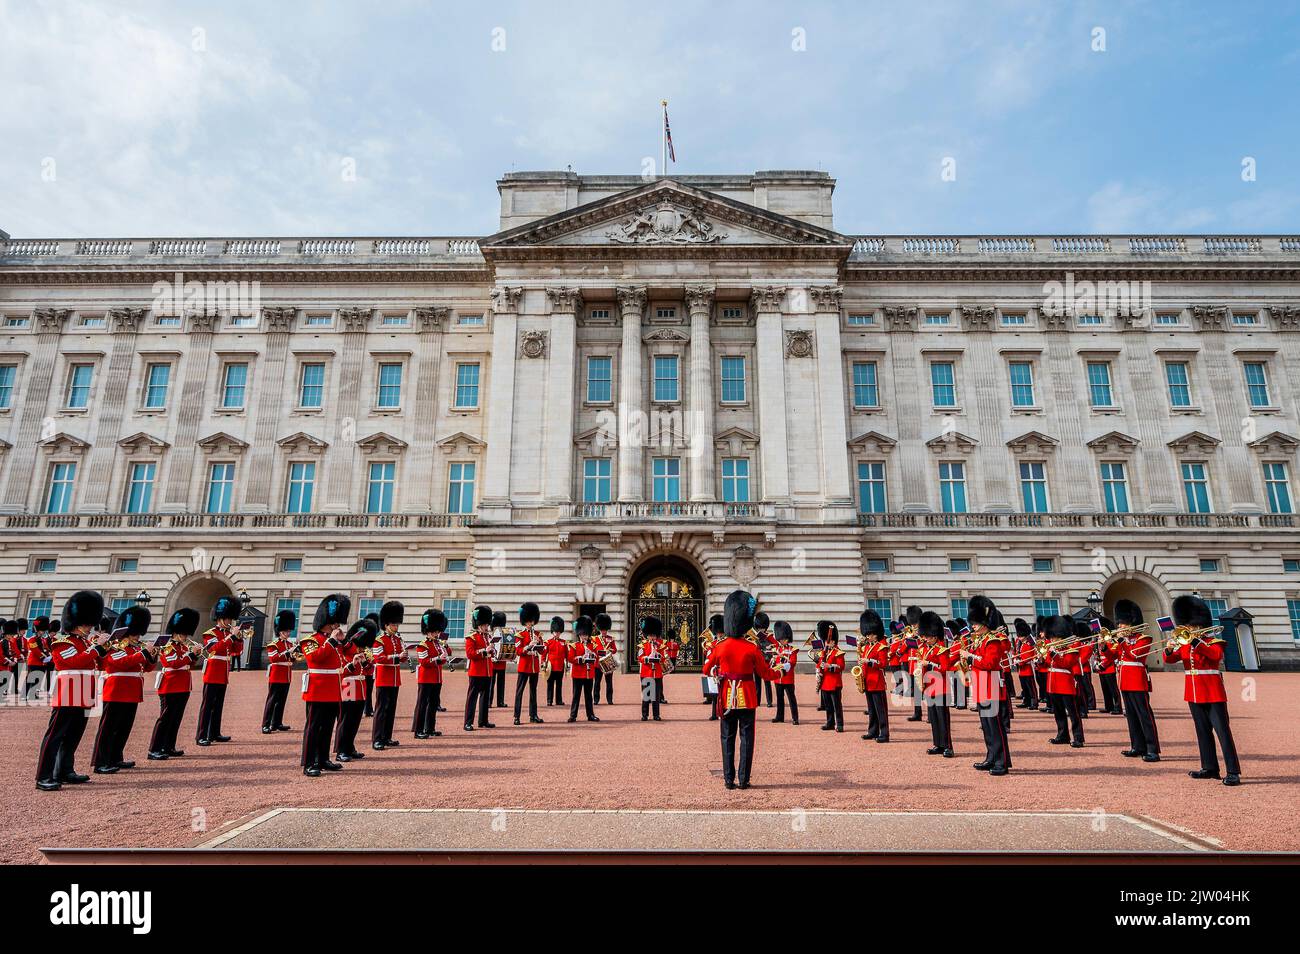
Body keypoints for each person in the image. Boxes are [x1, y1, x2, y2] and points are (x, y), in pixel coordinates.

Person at [35, 591, 110, 791]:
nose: (89, 627)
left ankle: (64, 770)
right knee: (55, 735)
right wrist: (96, 648)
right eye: (87, 623)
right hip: (69, 691)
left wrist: (103, 648)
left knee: (74, 734)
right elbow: (72, 662)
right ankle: (44, 775)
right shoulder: (63, 641)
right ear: (77, 622)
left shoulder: (85, 642)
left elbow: (98, 664)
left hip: (85, 691)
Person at [706, 590, 780, 790]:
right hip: (747, 697)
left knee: (727, 738)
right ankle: (743, 779)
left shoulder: (720, 647)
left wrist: (718, 672)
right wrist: (780, 672)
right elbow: (765, 674)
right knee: (747, 739)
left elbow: (706, 668)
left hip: (727, 696)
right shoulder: (751, 648)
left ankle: (728, 779)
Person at [1164, 595, 1241, 786]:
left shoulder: (1213, 642)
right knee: (1202, 731)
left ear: (1198, 625)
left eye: (1190, 627)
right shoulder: (1186, 645)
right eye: (1186, 626)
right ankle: (1210, 767)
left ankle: (1233, 771)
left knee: (1222, 732)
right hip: (1193, 691)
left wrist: (1195, 642)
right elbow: (1170, 660)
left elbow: (1215, 655)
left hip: (1212, 691)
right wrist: (1168, 649)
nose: (1188, 629)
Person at [90, 605, 155, 774]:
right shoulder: (116, 645)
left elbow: (146, 668)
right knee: (108, 728)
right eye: (135, 632)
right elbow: (118, 663)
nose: (138, 636)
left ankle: (116, 757)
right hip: (116, 690)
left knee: (124, 728)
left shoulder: (135, 647)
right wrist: (143, 654)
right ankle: (100, 761)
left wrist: (152, 656)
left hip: (132, 691)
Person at [300, 593, 349, 777]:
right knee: (313, 727)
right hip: (317, 690)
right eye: (335, 623)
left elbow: (341, 662)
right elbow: (315, 658)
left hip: (332, 690)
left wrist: (341, 642)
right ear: (326, 623)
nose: (337, 626)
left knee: (328, 726)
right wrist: (331, 641)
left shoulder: (334, 643)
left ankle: (323, 759)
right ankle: (309, 762)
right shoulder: (310, 640)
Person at [963, 596, 1011, 776]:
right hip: (981, 685)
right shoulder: (979, 640)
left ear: (984, 623)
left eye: (975, 624)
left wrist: (971, 658)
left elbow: (990, 663)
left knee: (995, 727)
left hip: (990, 686)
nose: (972, 627)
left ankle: (1002, 761)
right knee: (986, 725)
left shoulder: (992, 641)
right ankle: (991, 757)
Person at [147, 609, 201, 760]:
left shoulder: (183, 646)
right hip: (170, 686)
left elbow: (188, 663)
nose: (185, 637)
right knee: (165, 718)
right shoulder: (167, 645)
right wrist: (191, 654)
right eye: (183, 634)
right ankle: (154, 749)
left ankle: (168, 746)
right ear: (176, 632)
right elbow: (172, 663)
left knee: (176, 718)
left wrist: (195, 655)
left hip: (183, 685)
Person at [1112, 599, 1160, 762]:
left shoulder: (1143, 638)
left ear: (1131, 622)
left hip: (1137, 680)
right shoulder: (1123, 639)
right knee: (1131, 715)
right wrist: (1104, 647)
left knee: (1144, 715)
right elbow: (1113, 655)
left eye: (1122, 624)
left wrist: (1121, 641)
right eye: (1119, 624)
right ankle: (1137, 746)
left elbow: (1135, 654)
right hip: (1124, 680)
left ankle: (1152, 749)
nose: (1120, 627)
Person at [195, 596, 245, 746]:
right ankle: (201, 735)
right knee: (207, 706)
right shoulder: (210, 633)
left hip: (223, 673)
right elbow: (215, 649)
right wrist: (231, 636)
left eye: (231, 619)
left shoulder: (227, 633)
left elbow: (237, 651)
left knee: (218, 705)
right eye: (228, 618)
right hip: (212, 673)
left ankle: (214, 733)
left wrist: (238, 638)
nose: (230, 622)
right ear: (220, 618)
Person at [1044, 615, 1085, 747]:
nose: (1051, 640)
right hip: (1053, 684)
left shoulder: (1070, 649)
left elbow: (1066, 664)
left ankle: (1078, 737)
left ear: (1060, 637)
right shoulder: (1051, 648)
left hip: (1065, 684)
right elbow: (1048, 663)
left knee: (1073, 713)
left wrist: (1054, 655)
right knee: (1058, 712)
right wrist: (1041, 659)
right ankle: (1063, 735)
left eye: (1053, 637)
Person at [918, 612, 954, 757]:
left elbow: (945, 668)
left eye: (927, 636)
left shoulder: (941, 650)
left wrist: (930, 664)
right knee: (934, 719)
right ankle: (938, 744)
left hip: (941, 688)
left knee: (943, 719)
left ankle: (948, 746)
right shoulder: (926, 649)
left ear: (934, 635)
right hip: (929, 688)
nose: (925, 639)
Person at [413, 609, 450, 738]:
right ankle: (418, 730)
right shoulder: (423, 645)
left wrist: (445, 647)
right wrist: (437, 659)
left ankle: (430, 728)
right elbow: (424, 661)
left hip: (437, 678)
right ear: (428, 631)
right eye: (434, 631)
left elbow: (448, 653)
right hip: (426, 678)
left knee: (433, 704)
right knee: (423, 704)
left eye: (438, 631)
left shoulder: (438, 643)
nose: (436, 634)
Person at [261, 609, 297, 733]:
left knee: (282, 701)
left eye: (288, 631)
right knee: (272, 700)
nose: (288, 633)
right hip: (277, 675)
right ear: (280, 631)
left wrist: (295, 653)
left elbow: (293, 660)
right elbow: (273, 658)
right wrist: (288, 652)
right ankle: (266, 724)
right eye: (286, 631)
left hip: (286, 675)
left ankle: (277, 723)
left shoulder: (289, 644)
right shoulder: (273, 644)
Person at [857, 610, 888, 742]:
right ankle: (872, 731)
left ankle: (884, 734)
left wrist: (868, 662)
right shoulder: (867, 647)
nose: (868, 636)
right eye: (867, 634)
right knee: (871, 709)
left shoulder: (881, 646)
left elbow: (883, 664)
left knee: (881, 710)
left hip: (877, 681)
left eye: (870, 634)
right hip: (868, 681)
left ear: (876, 634)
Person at [463, 605, 495, 731]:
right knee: (472, 698)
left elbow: (491, 654)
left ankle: (483, 720)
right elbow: (470, 654)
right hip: (476, 671)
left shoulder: (488, 637)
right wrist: (484, 651)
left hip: (487, 671)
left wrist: (492, 650)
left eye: (487, 625)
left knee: (485, 697)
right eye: (484, 625)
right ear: (478, 624)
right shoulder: (471, 638)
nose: (486, 627)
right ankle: (468, 722)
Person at [513, 602, 544, 725]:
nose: (530, 623)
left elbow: (542, 650)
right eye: (529, 621)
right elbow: (518, 650)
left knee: (533, 692)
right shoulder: (520, 635)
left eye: (532, 621)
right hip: (524, 666)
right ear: (524, 621)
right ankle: (516, 716)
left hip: (534, 667)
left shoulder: (537, 635)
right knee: (519, 692)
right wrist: (528, 646)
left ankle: (533, 715)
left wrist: (539, 643)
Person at [567, 616, 600, 722]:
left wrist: (592, 655)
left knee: (588, 696)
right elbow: (570, 658)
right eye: (582, 635)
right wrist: (579, 658)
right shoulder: (574, 646)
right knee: (576, 695)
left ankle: (590, 715)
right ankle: (573, 715)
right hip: (577, 674)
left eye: (585, 635)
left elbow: (597, 658)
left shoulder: (593, 646)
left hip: (588, 674)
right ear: (579, 635)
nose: (584, 637)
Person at [816, 622, 845, 732]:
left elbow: (841, 666)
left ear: (834, 641)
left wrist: (830, 666)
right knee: (828, 706)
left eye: (829, 641)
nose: (827, 643)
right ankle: (830, 722)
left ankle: (840, 724)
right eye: (826, 641)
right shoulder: (823, 652)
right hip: (825, 682)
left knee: (836, 705)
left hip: (834, 682)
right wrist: (820, 668)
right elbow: (819, 664)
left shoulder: (838, 652)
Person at [771, 621, 800, 725]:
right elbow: (774, 663)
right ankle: (779, 716)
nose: (782, 640)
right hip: (778, 678)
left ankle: (795, 718)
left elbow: (793, 662)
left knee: (791, 699)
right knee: (779, 698)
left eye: (784, 639)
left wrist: (783, 665)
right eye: (781, 639)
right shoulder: (777, 649)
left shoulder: (792, 650)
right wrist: (773, 662)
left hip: (788, 678)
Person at [637, 616, 665, 722]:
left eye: (654, 635)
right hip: (646, 673)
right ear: (647, 635)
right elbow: (640, 657)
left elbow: (663, 658)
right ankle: (645, 714)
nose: (652, 637)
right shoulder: (643, 646)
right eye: (650, 635)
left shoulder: (660, 646)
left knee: (656, 697)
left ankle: (656, 715)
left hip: (657, 674)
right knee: (646, 695)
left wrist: (657, 654)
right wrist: (648, 658)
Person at [1094, 620, 1123, 715]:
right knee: (1105, 689)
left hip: (1109, 668)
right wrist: (1097, 664)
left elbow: (1111, 656)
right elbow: (1098, 655)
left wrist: (1102, 665)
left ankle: (1118, 707)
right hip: (1101, 669)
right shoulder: (1099, 643)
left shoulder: (1113, 643)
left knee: (1113, 689)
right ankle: (1108, 706)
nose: (1100, 636)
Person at [1011, 618, 1039, 709]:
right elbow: (1016, 652)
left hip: (1028, 668)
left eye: (1021, 636)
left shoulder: (1029, 642)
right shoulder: (1019, 642)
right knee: (1024, 687)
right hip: (1021, 669)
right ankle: (1026, 701)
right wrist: (1015, 659)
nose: (1019, 638)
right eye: (1019, 636)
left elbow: (1029, 655)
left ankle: (1034, 702)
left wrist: (1021, 661)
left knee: (1031, 687)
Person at [544, 616, 567, 706]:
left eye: (558, 632)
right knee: (550, 685)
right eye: (555, 632)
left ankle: (559, 700)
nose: (557, 633)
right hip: (551, 666)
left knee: (559, 685)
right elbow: (544, 654)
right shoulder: (548, 642)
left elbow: (566, 654)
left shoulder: (564, 642)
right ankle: (549, 700)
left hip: (560, 666)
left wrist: (568, 663)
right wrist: (543, 664)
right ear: (552, 632)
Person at [594, 613, 616, 704]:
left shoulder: (610, 639)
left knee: (609, 683)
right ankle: (596, 699)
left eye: (605, 630)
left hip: (608, 663)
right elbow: (593, 649)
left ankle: (609, 699)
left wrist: (610, 650)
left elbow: (614, 650)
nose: (604, 631)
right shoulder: (594, 639)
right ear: (600, 629)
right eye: (602, 630)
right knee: (597, 683)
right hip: (598, 664)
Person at [489, 611, 510, 707]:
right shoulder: (489, 636)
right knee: (491, 684)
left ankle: (500, 701)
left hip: (501, 662)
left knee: (501, 684)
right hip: (492, 663)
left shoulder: (505, 636)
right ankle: (489, 701)